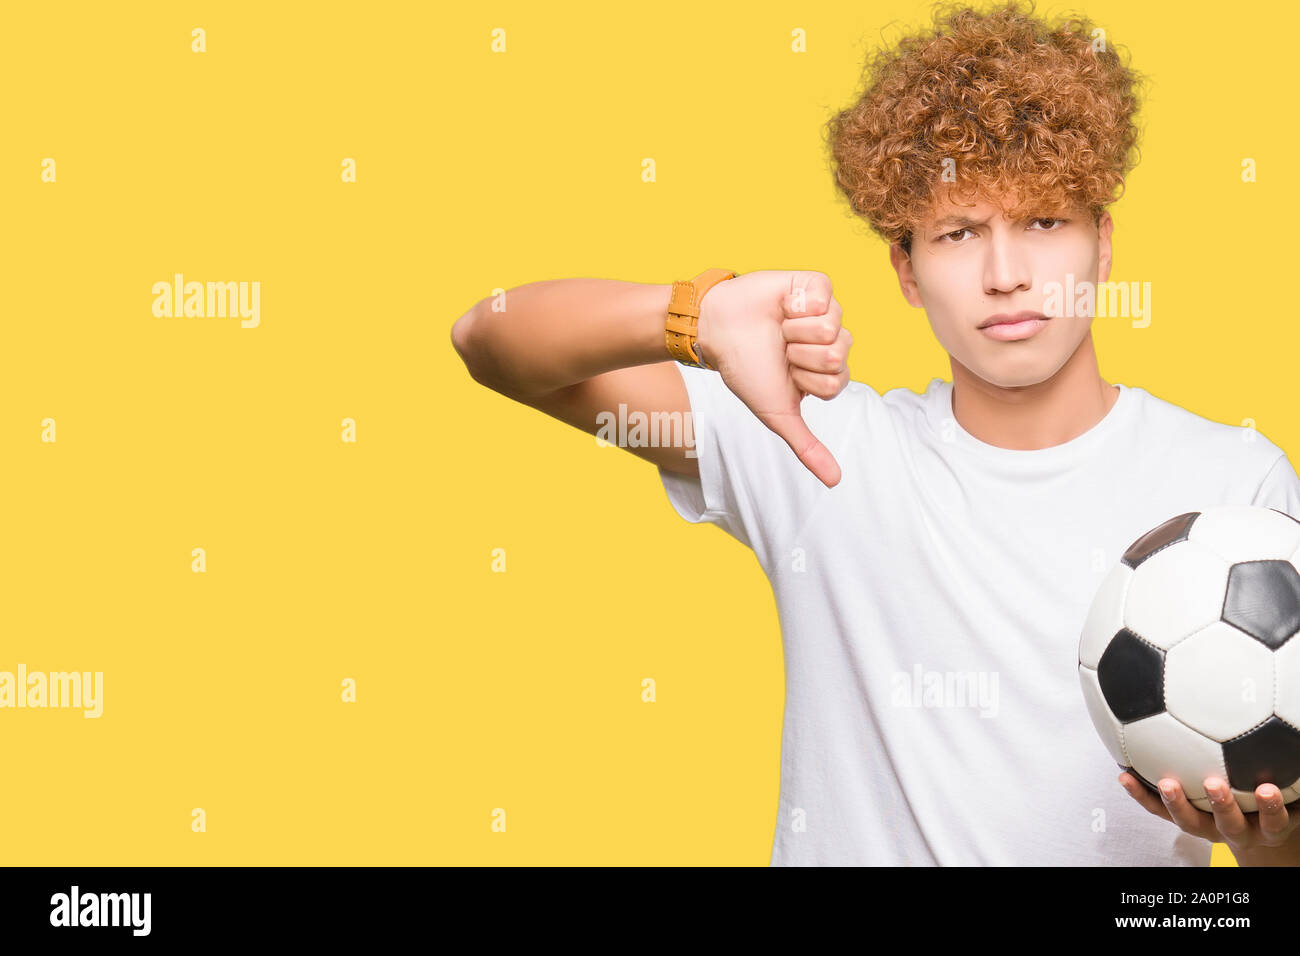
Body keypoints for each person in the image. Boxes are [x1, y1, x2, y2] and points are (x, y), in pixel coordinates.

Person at [450, 0, 1300, 864]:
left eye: (1043, 221)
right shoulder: (821, 446)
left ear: (1102, 246)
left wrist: (1267, 843)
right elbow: (491, 339)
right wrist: (694, 314)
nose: (1006, 276)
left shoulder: (1237, 486)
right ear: (905, 268)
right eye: (959, 232)